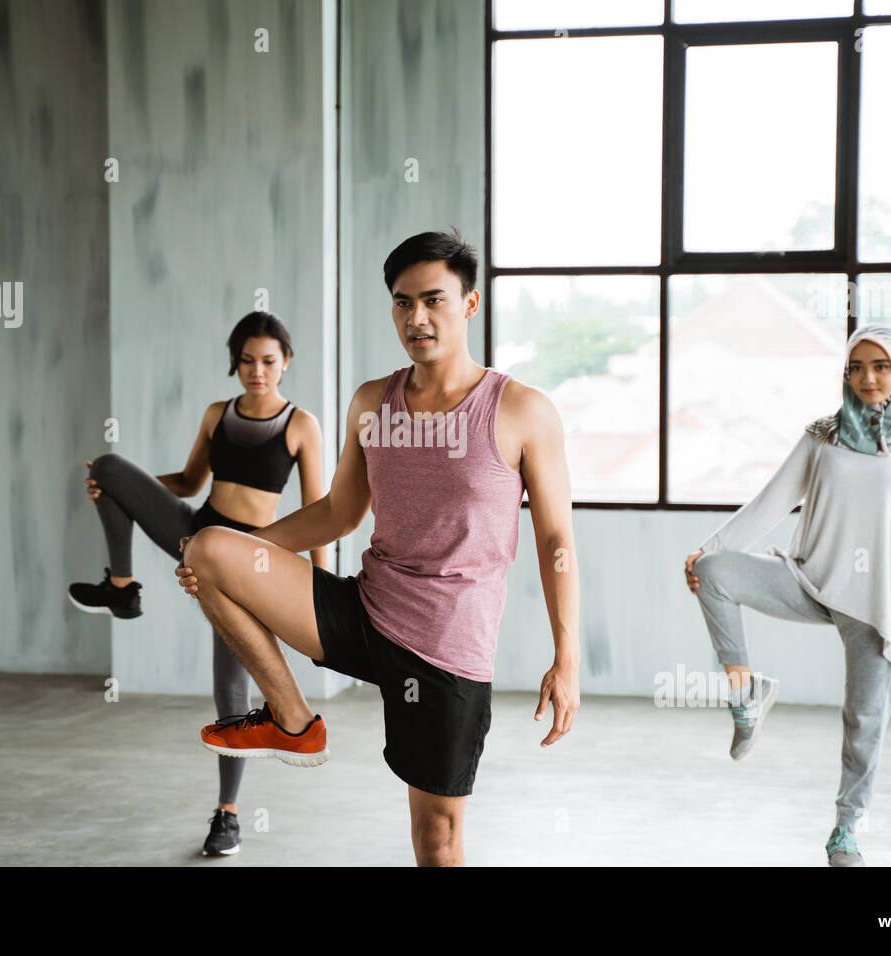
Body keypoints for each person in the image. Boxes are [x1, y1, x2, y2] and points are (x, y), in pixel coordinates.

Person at [172, 228, 581, 866]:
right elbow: (339, 512)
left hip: (446, 650)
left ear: (469, 305)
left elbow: (555, 539)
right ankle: (293, 722)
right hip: (364, 612)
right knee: (208, 547)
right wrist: (241, 556)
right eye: (401, 302)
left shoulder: (523, 411)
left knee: (436, 841)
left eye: (433, 300)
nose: (415, 317)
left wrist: (567, 657)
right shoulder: (373, 402)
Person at [683, 323, 891, 867]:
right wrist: (707, 549)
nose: (868, 377)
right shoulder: (822, 435)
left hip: (878, 606)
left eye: (881, 366)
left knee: (863, 721)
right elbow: (771, 502)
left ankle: (846, 831)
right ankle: (746, 695)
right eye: (856, 367)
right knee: (716, 574)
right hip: (810, 580)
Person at [67, 311, 326, 857]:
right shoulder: (217, 414)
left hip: (247, 563)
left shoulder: (301, 425)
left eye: (269, 361)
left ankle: (227, 814)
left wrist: (320, 584)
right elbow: (188, 483)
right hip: (196, 531)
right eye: (248, 361)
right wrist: (123, 493)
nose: (258, 371)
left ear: (286, 362)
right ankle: (121, 588)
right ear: (235, 362)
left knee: (231, 690)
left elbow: (319, 512)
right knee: (107, 469)